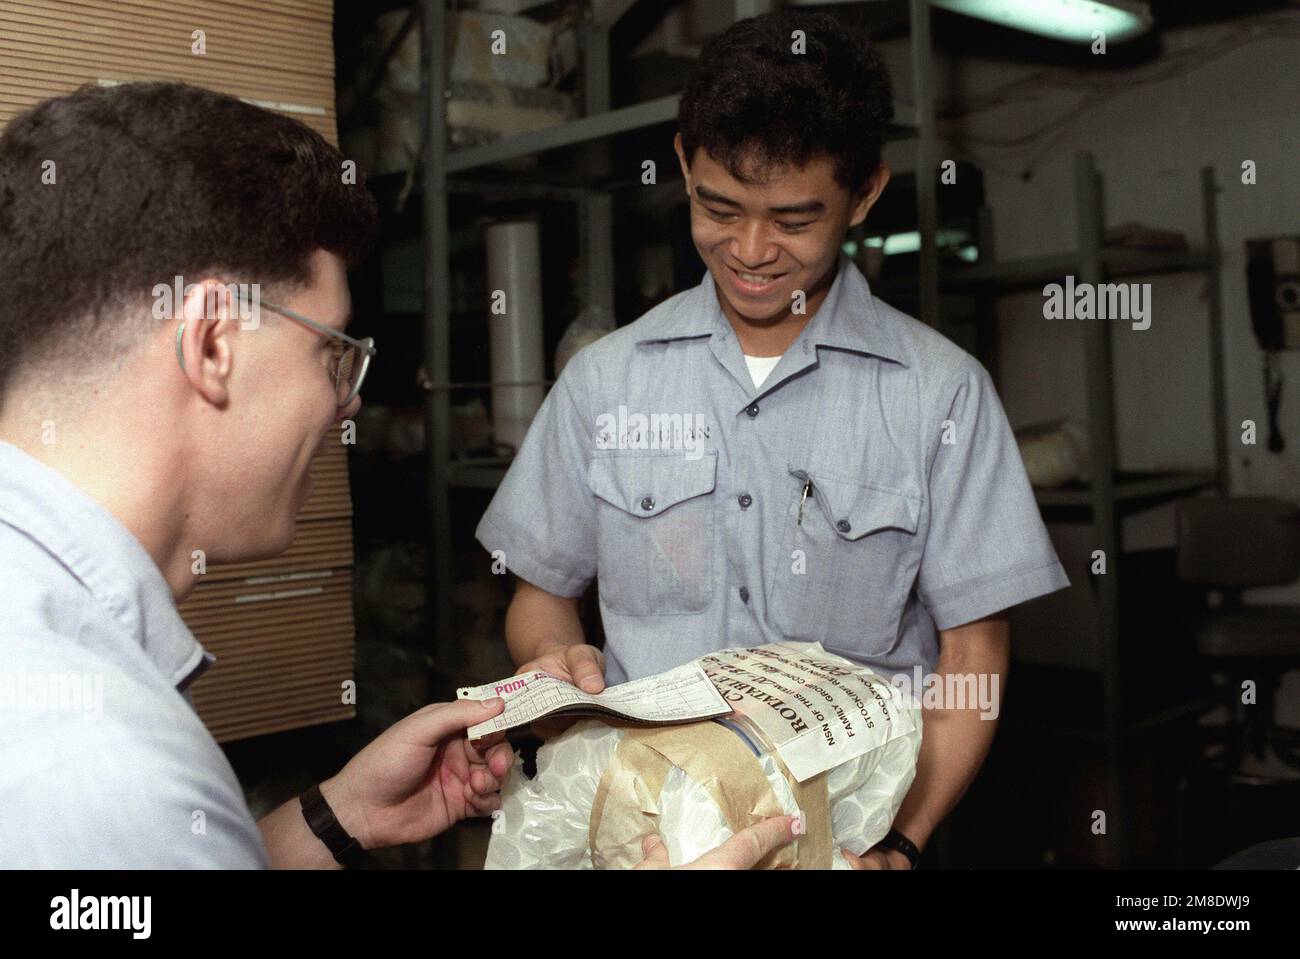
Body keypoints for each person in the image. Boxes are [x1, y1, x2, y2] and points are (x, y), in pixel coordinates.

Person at [0, 80, 790, 870]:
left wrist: (334, 815)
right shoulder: (102, 766)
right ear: (213, 344)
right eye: (331, 351)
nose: (347, 407)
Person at [476, 11, 1070, 869]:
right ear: (682, 163)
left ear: (865, 193)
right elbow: (539, 592)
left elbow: (973, 653)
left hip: (844, 841)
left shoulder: (940, 393)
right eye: (720, 208)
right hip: (643, 836)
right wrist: (550, 657)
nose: (751, 251)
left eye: (794, 220)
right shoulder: (606, 381)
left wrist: (903, 843)